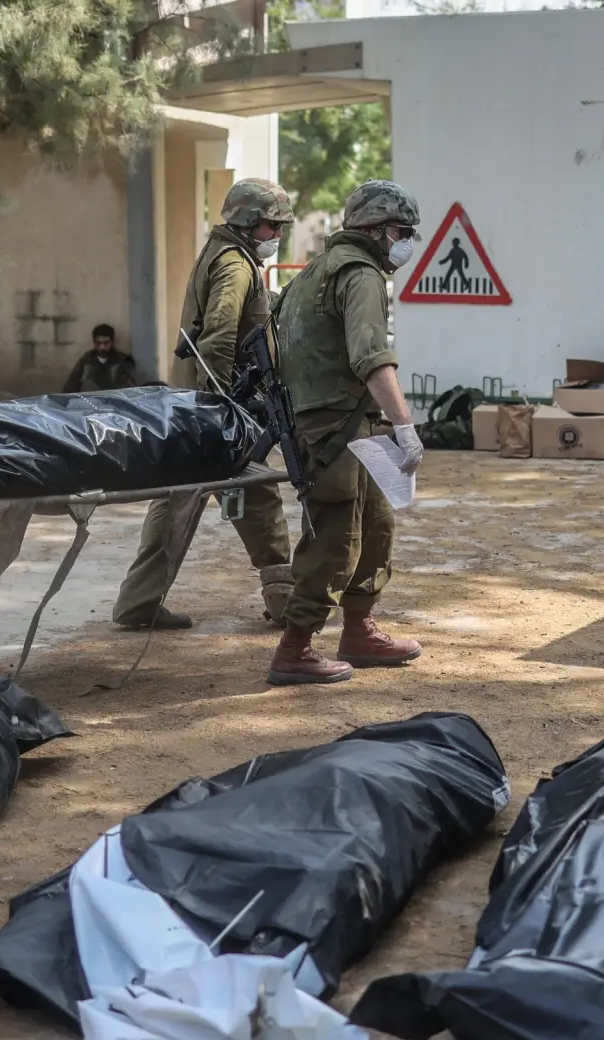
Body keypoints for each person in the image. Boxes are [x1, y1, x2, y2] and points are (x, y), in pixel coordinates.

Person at [109, 178, 297, 631]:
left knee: (179, 500)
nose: (277, 236)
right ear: (252, 223)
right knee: (257, 495)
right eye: (273, 226)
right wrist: (223, 410)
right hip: (212, 410)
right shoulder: (235, 264)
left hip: (192, 406)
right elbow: (218, 335)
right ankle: (284, 600)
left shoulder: (222, 253)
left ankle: (138, 602)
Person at [266, 179, 426, 685]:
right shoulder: (359, 275)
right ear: (378, 229)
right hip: (333, 428)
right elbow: (372, 358)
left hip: (341, 422)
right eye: (402, 231)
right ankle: (295, 648)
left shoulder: (313, 271)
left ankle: (358, 629)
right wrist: (406, 426)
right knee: (336, 538)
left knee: (376, 527)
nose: (406, 242)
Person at [62, 324, 138, 393]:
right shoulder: (86, 361)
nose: (102, 347)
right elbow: (71, 386)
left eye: (106, 343)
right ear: (94, 343)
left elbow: (130, 389)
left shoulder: (123, 361)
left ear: (112, 342)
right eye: (98, 343)